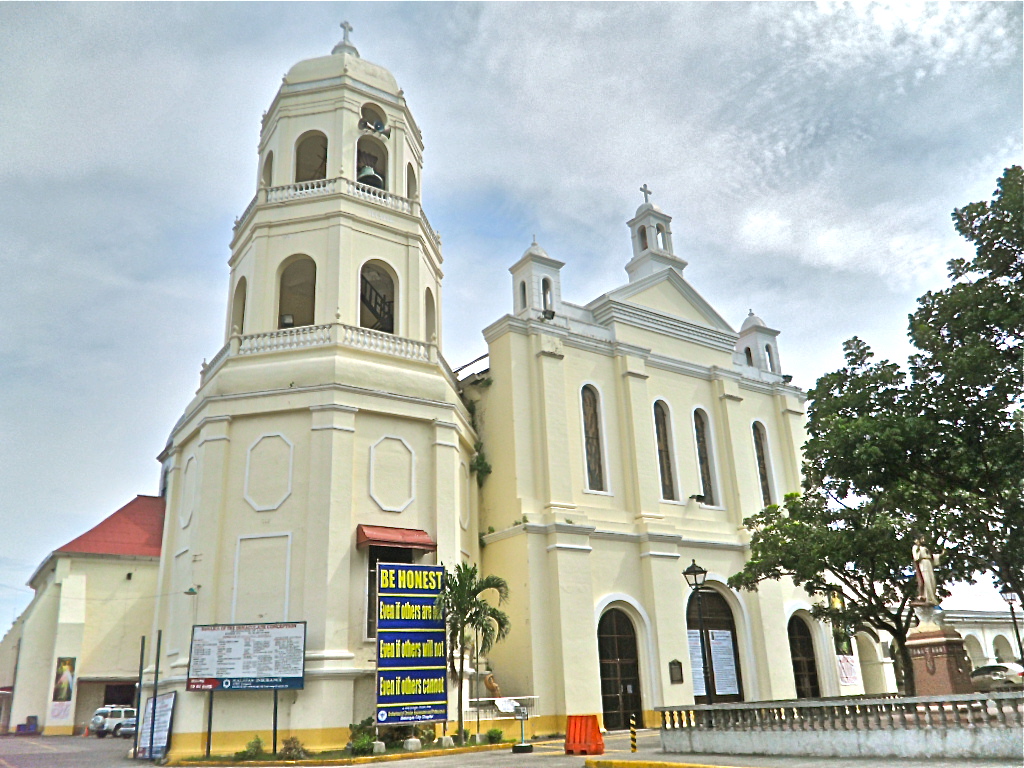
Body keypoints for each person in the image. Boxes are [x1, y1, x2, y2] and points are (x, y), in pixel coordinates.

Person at [912, 535, 941, 605]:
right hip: (923, 563)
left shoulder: (925, 548)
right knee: (926, 580)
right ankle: (927, 597)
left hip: (929, 564)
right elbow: (916, 557)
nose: (923, 540)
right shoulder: (915, 547)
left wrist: (940, 555)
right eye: (922, 539)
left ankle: (932, 597)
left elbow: (932, 556)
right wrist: (918, 547)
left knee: (932, 580)